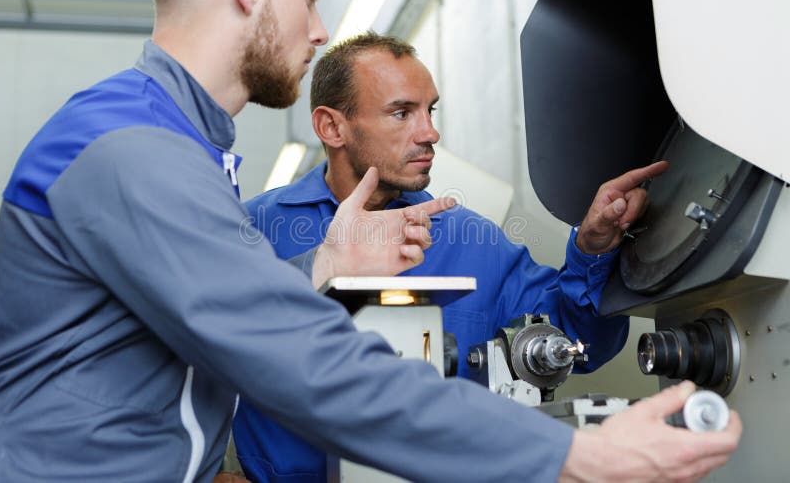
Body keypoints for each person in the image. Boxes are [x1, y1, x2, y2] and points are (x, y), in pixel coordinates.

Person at [0, 0, 740, 482]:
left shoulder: (178, 147)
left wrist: (322, 265)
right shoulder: (138, 152)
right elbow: (305, 361)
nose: (320, 29)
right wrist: (577, 457)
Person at [230, 31, 671, 481]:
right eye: (402, 113)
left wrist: (591, 251)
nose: (430, 133)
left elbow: (578, 344)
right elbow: (179, 355)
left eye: (430, 110)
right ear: (332, 127)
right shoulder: (252, 231)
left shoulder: (471, 241)